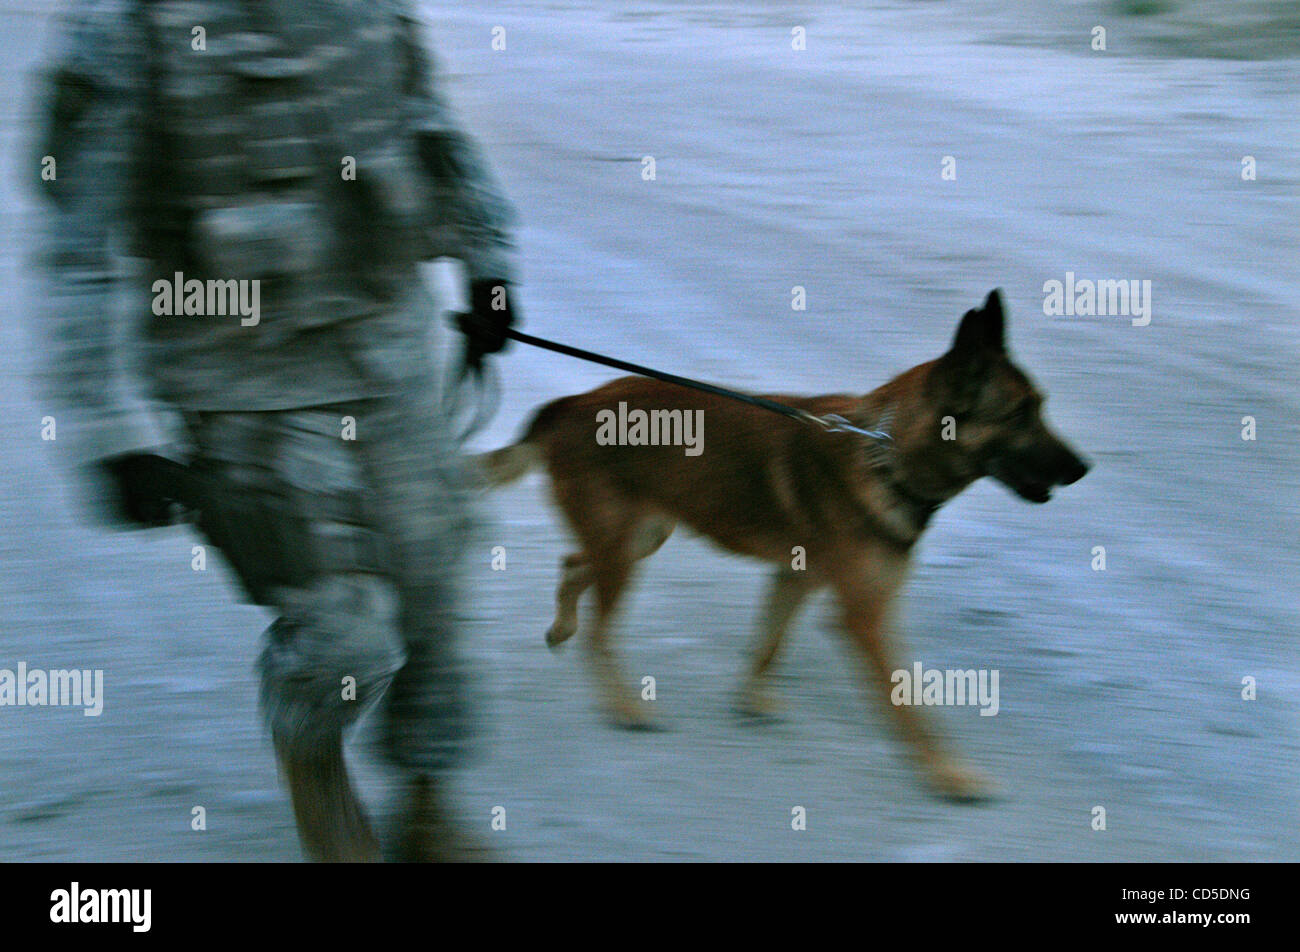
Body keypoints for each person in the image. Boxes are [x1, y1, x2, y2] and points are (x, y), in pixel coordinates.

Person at [32, 0, 517, 861]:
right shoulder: (127, 27)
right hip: (237, 379)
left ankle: (428, 795)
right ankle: (316, 765)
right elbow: (76, 243)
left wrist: (487, 263)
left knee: (434, 581)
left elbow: (428, 122)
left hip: (387, 349)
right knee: (342, 628)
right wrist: (106, 423)